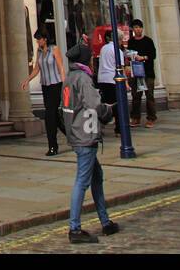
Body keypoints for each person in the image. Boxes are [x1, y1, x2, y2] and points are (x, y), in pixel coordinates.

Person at [62, 40, 121, 244]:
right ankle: (74, 229)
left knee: (96, 177)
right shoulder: (83, 78)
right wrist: (109, 111)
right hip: (85, 135)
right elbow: (94, 105)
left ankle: (105, 222)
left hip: (78, 133)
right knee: (82, 181)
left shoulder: (69, 77)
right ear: (86, 60)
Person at [22, 27, 65, 155]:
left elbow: (61, 68)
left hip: (56, 84)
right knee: (54, 115)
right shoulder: (39, 51)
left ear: (45, 39)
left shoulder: (54, 49)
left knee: (49, 115)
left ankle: (53, 146)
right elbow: (37, 68)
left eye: (39, 39)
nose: (37, 42)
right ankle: (71, 136)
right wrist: (28, 80)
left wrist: (65, 85)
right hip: (45, 85)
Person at [96, 29, 128, 136]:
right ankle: (119, 129)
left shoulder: (103, 49)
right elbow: (121, 68)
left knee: (105, 104)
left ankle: (100, 125)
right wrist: (126, 84)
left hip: (102, 79)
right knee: (118, 104)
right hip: (113, 79)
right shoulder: (117, 50)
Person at [127, 19, 158, 127]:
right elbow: (128, 54)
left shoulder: (148, 41)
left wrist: (143, 57)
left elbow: (153, 55)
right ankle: (135, 117)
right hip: (136, 72)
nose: (138, 29)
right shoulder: (131, 42)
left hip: (148, 72)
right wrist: (133, 57)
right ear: (133, 29)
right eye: (136, 27)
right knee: (136, 96)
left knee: (149, 95)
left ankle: (151, 118)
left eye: (139, 27)